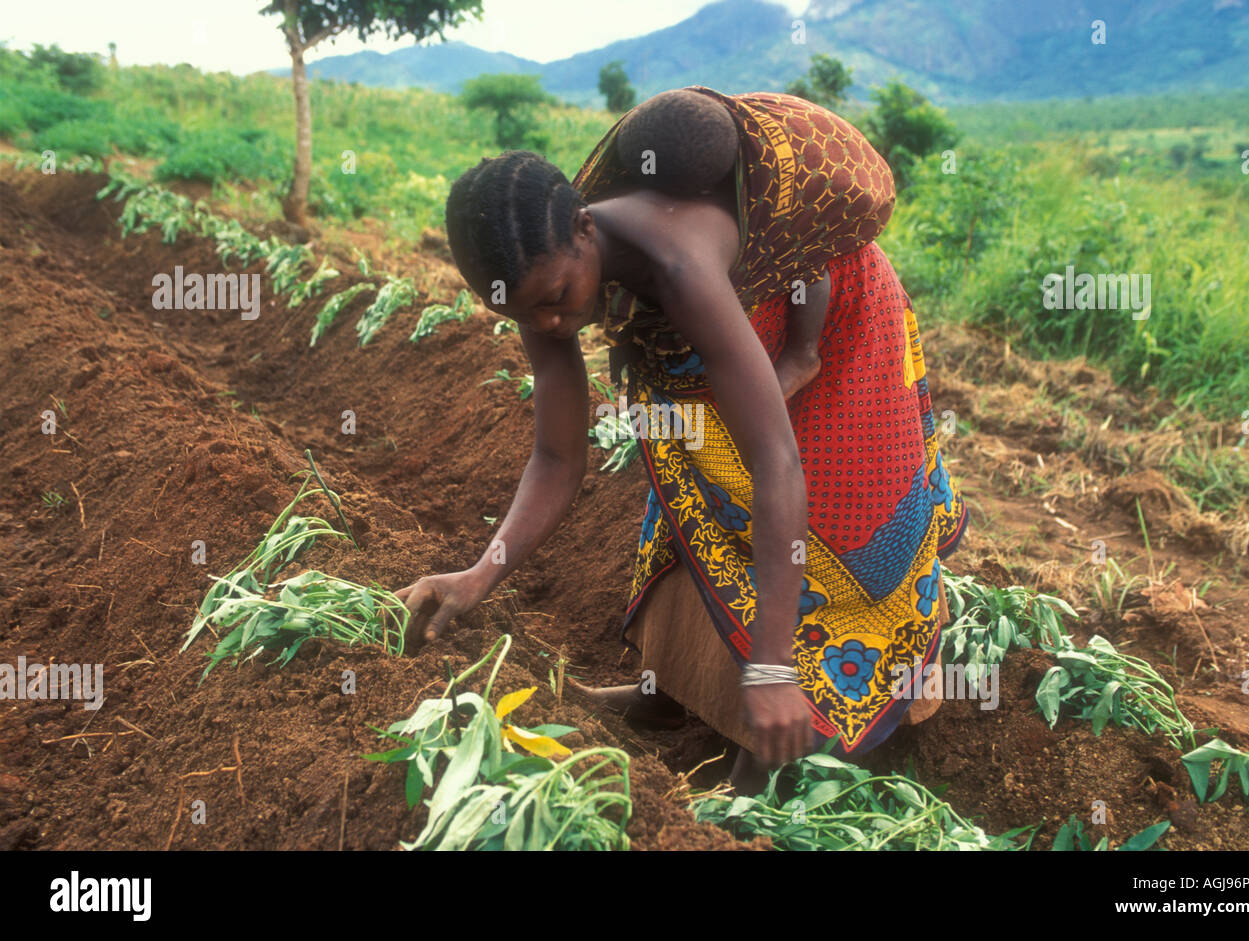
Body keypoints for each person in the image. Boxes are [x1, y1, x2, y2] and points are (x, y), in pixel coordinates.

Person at [396, 87, 968, 789]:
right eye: (521, 313)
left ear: (583, 228)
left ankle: (790, 720)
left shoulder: (678, 264)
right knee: (692, 473)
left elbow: (777, 464)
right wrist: (479, 574)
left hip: (839, 317)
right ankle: (670, 689)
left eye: (554, 300)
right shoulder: (539, 284)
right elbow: (557, 455)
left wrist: (770, 669)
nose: (547, 326)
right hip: (735, 320)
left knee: (839, 518)